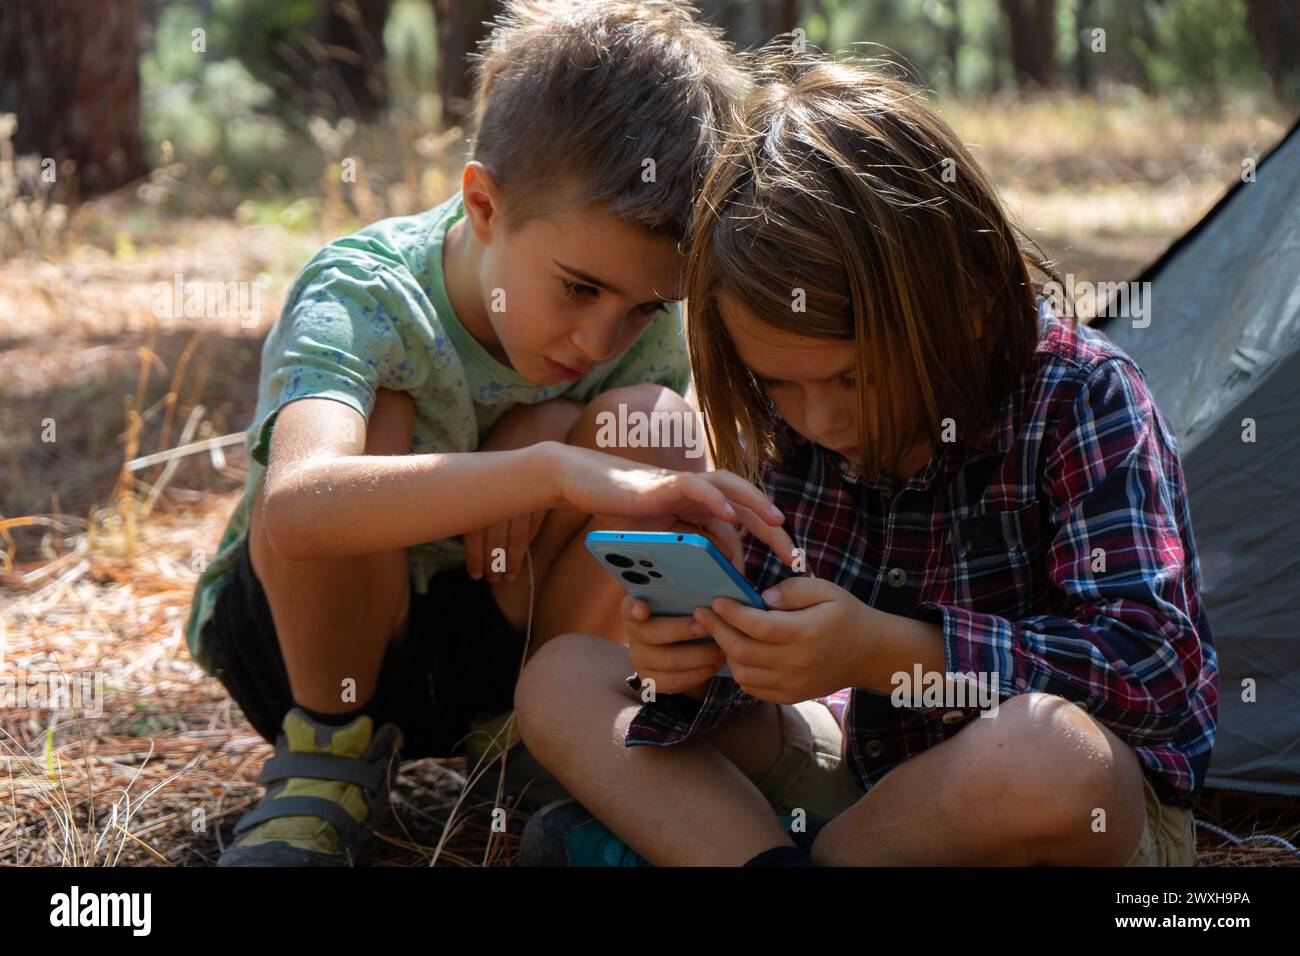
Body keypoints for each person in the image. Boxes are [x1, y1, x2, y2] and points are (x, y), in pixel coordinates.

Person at [514, 51, 1218, 867]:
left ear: (968, 308)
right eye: (780, 384)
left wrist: (887, 650)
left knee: (1047, 757)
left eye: (851, 376)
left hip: (1050, 821)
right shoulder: (800, 428)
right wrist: (709, 658)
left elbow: (1152, 671)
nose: (818, 417)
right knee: (563, 679)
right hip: (865, 784)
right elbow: (797, 636)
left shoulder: (1083, 398)